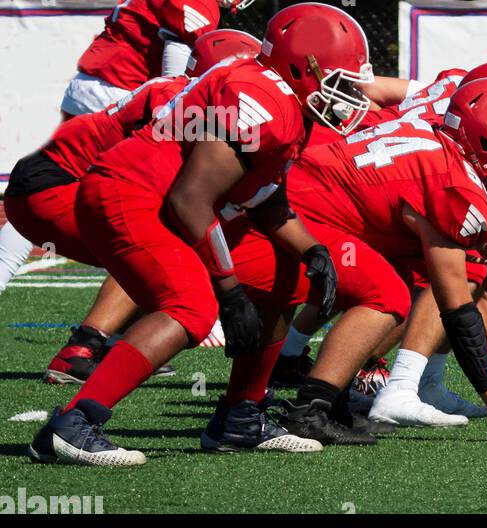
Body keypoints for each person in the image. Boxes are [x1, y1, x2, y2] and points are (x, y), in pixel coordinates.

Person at [26, 3, 373, 466]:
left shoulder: (280, 99)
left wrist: (312, 250)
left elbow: (264, 197)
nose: (348, 94)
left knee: (283, 276)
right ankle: (73, 424)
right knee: (190, 306)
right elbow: (189, 199)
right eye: (339, 80)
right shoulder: (261, 100)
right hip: (131, 195)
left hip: (160, 200)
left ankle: (240, 417)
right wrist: (229, 293)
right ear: (300, 64)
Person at [4, 29, 263, 387]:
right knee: (149, 238)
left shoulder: (181, 92)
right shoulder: (176, 97)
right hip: (54, 182)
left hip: (52, 177)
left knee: (158, 235)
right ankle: (82, 350)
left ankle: (120, 345)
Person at [0, 0, 256, 297]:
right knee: (155, 206)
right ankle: (151, 308)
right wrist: (180, 104)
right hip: (123, 91)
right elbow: (178, 63)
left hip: (97, 86)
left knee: (58, 183)